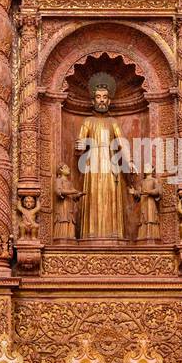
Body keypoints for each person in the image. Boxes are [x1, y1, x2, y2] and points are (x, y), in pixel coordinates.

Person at [75, 75, 132, 240]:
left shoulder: (113, 121)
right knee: (93, 195)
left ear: (109, 101)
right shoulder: (88, 121)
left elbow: (121, 143)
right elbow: (80, 143)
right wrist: (79, 146)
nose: (101, 100)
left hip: (110, 160)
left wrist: (130, 162)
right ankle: (90, 234)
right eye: (98, 97)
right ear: (93, 101)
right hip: (92, 161)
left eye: (105, 97)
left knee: (110, 195)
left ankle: (113, 234)